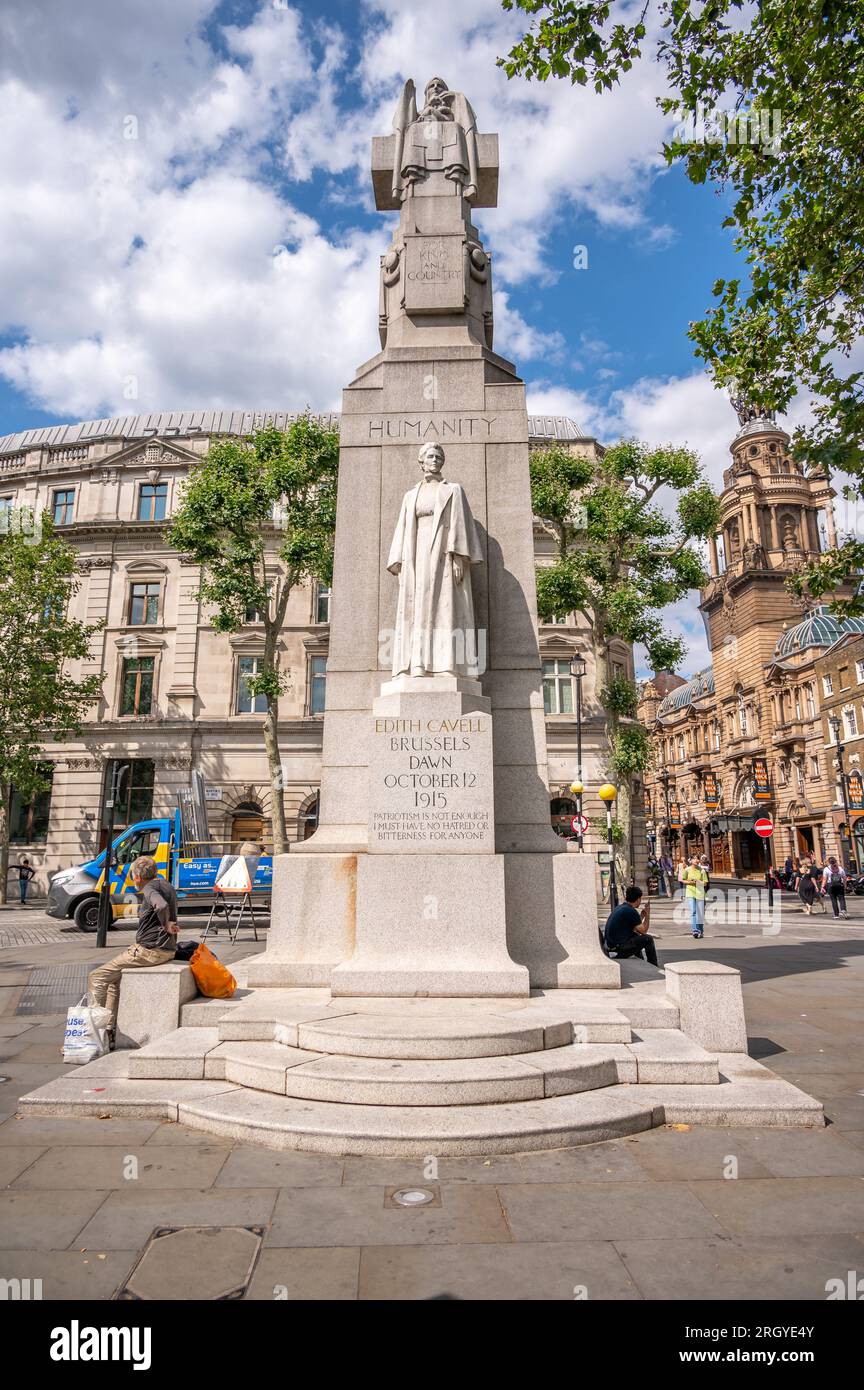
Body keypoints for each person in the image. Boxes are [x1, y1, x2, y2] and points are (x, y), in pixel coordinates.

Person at [87, 856, 179, 1049]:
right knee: (114, 980)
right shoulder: (166, 884)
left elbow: (160, 905)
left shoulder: (149, 889)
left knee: (97, 976)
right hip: (166, 949)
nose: (133, 879)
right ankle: (109, 1032)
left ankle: (91, 1035)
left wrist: (166, 923)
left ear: (138, 876)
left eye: (133, 875)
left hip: (148, 951)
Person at [603, 885, 659, 967]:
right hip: (618, 949)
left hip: (612, 946)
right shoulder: (631, 911)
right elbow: (643, 931)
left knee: (635, 936)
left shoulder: (621, 907)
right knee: (648, 939)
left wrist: (642, 916)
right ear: (638, 899)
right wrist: (648, 914)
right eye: (640, 899)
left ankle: (641, 962)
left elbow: (633, 927)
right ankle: (653, 966)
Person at [682, 853, 709, 939]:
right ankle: (695, 930)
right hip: (690, 893)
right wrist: (690, 882)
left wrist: (697, 882)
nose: (696, 860)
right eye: (694, 859)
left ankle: (700, 930)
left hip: (700, 893)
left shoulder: (702, 870)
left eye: (698, 859)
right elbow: (683, 880)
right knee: (693, 912)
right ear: (691, 860)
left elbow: (705, 883)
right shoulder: (687, 869)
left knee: (700, 913)